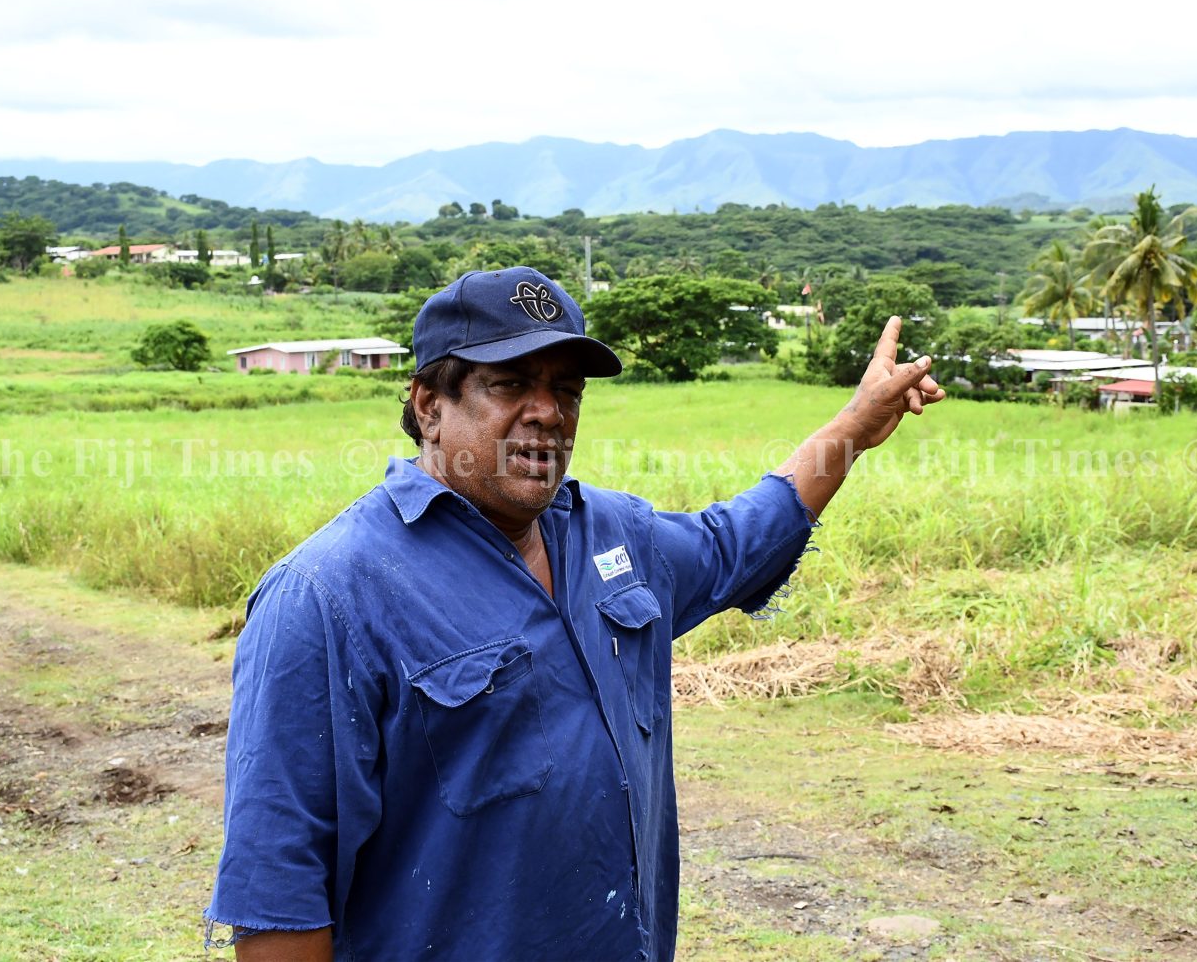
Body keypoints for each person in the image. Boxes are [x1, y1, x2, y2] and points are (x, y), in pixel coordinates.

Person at [205, 266, 944, 961]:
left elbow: (737, 543)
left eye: (568, 389)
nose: (550, 413)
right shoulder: (328, 596)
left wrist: (854, 426)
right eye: (511, 383)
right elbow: (278, 893)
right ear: (430, 405)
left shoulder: (615, 536)